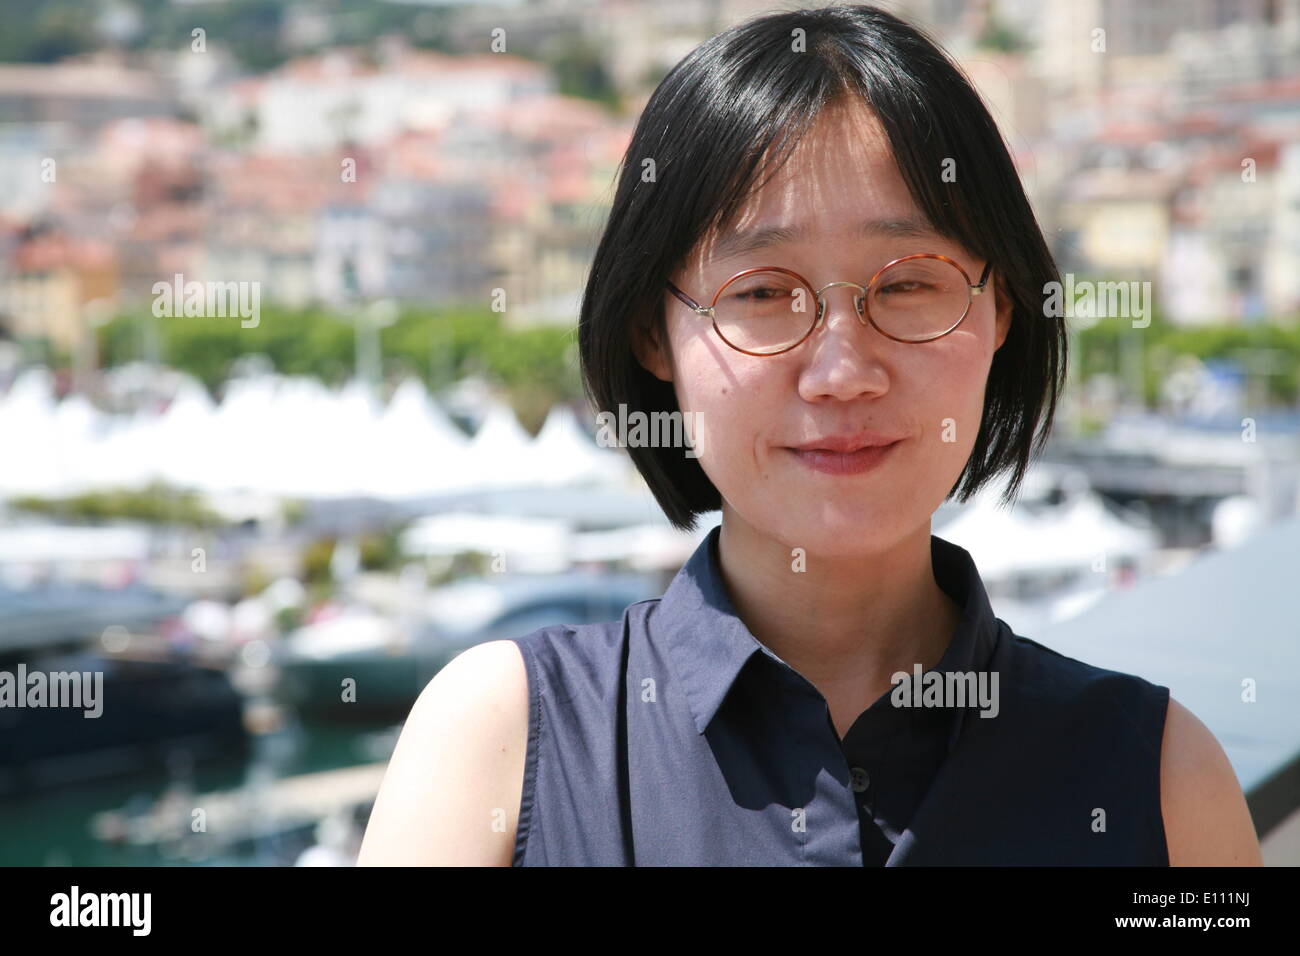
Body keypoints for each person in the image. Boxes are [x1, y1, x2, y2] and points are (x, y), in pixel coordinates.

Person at [358, 3, 1261, 866]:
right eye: (760, 293)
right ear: (651, 335)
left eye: (910, 285)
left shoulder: (1162, 778)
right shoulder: (506, 742)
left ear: (1002, 315)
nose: (841, 372)